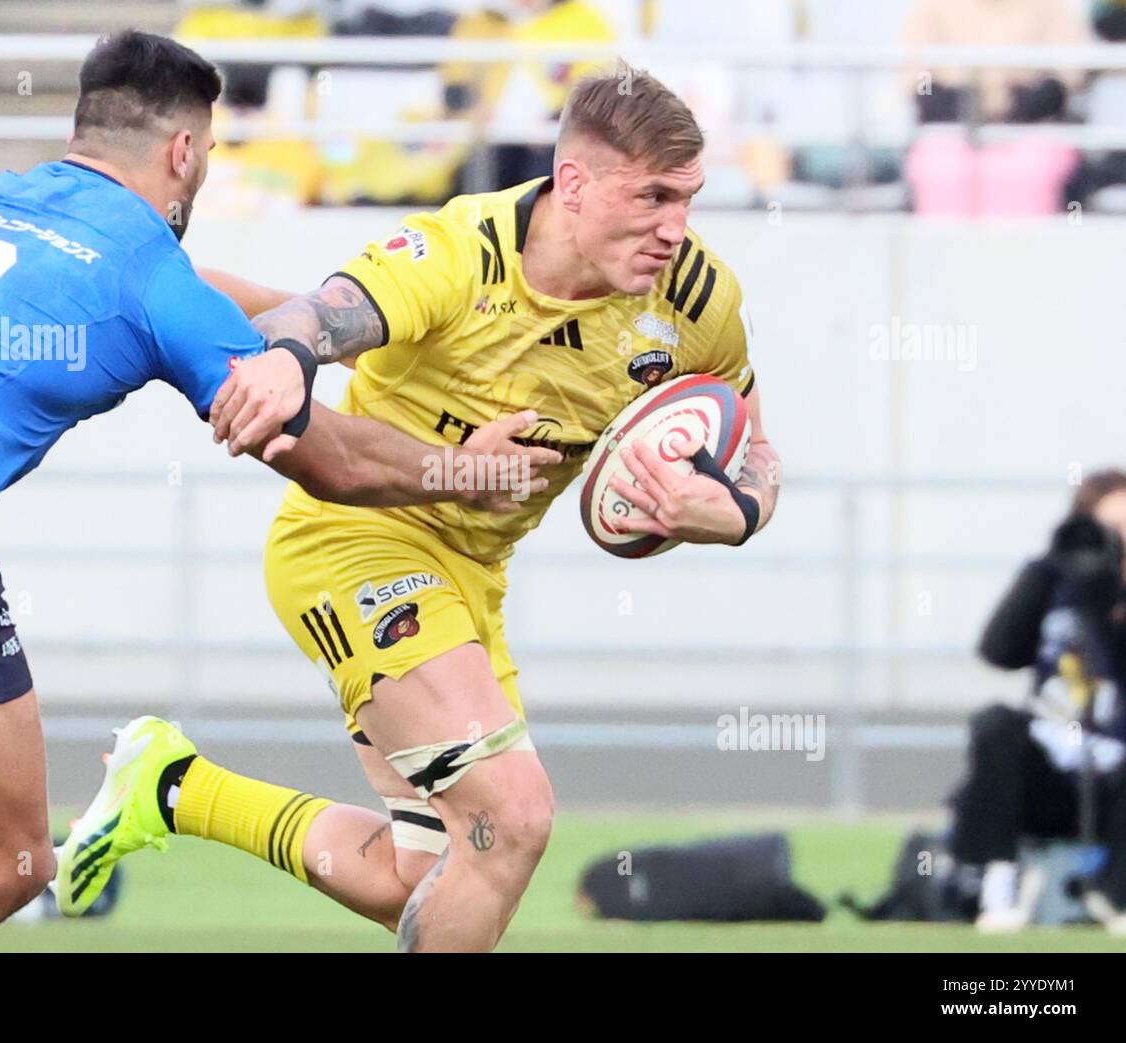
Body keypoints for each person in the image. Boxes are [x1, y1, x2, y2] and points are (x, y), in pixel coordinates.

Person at [0, 30, 554, 955]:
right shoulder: (146, 270)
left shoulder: (4, 202)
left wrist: (369, 319)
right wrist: (472, 470)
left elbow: (194, 294)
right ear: (183, 152)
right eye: (205, 157)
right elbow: (327, 459)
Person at [62, 62, 782, 953]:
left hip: (474, 579)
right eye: (654, 198)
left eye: (689, 200)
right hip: (354, 542)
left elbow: (755, 450)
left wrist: (736, 511)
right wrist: (291, 359)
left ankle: (172, 787)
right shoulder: (458, 252)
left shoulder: (699, 303)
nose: (676, 229)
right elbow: (321, 315)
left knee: (425, 872)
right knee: (513, 816)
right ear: (574, 183)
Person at [952, 469, 1126, 931]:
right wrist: (1050, 569)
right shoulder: (1053, 580)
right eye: (1107, 532)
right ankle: (997, 880)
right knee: (995, 724)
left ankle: (1115, 896)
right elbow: (998, 650)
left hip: (1117, 780)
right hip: (1050, 772)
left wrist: (1111, 606)